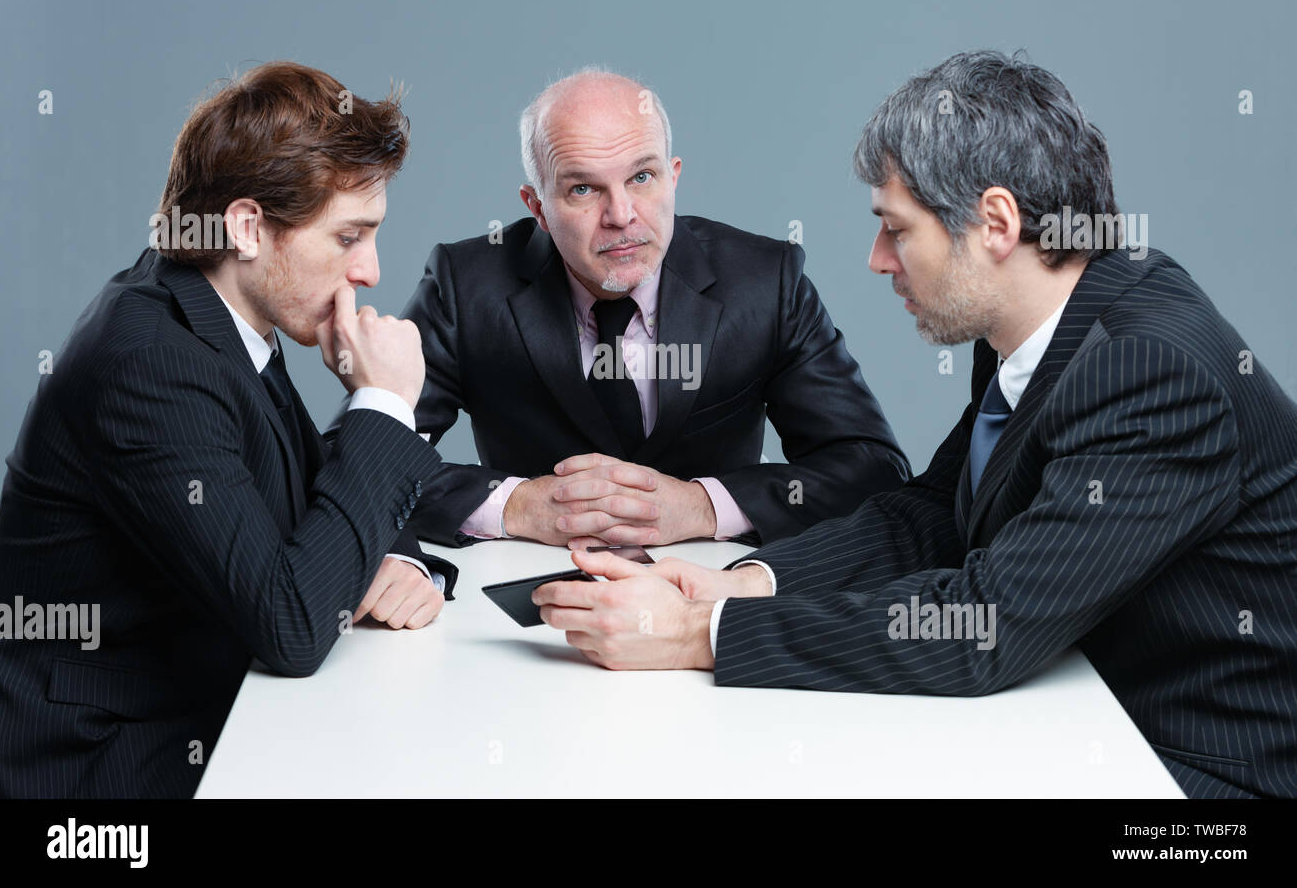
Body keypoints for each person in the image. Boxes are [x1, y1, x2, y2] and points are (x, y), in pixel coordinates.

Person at [533, 51, 1297, 799]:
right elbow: (929, 515)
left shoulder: (1150, 371)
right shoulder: (1040, 318)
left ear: (995, 223)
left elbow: (984, 623)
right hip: (1071, 711)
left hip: (1191, 772)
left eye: (896, 229)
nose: (876, 259)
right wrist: (740, 586)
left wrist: (697, 637)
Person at [0, 62, 452, 797]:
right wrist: (384, 404)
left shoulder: (221, 317)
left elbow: (304, 500)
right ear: (247, 227)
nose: (369, 270)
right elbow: (294, 623)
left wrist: (395, 562)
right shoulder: (148, 360)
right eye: (349, 237)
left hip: (212, 713)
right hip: (102, 771)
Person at [372, 68, 909, 558]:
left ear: (673, 177)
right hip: (514, 614)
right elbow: (362, 462)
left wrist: (702, 506)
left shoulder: (767, 282)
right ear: (537, 207)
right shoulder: (466, 286)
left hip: (712, 601)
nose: (622, 216)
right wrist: (516, 506)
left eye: (642, 178)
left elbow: (871, 468)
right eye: (583, 188)